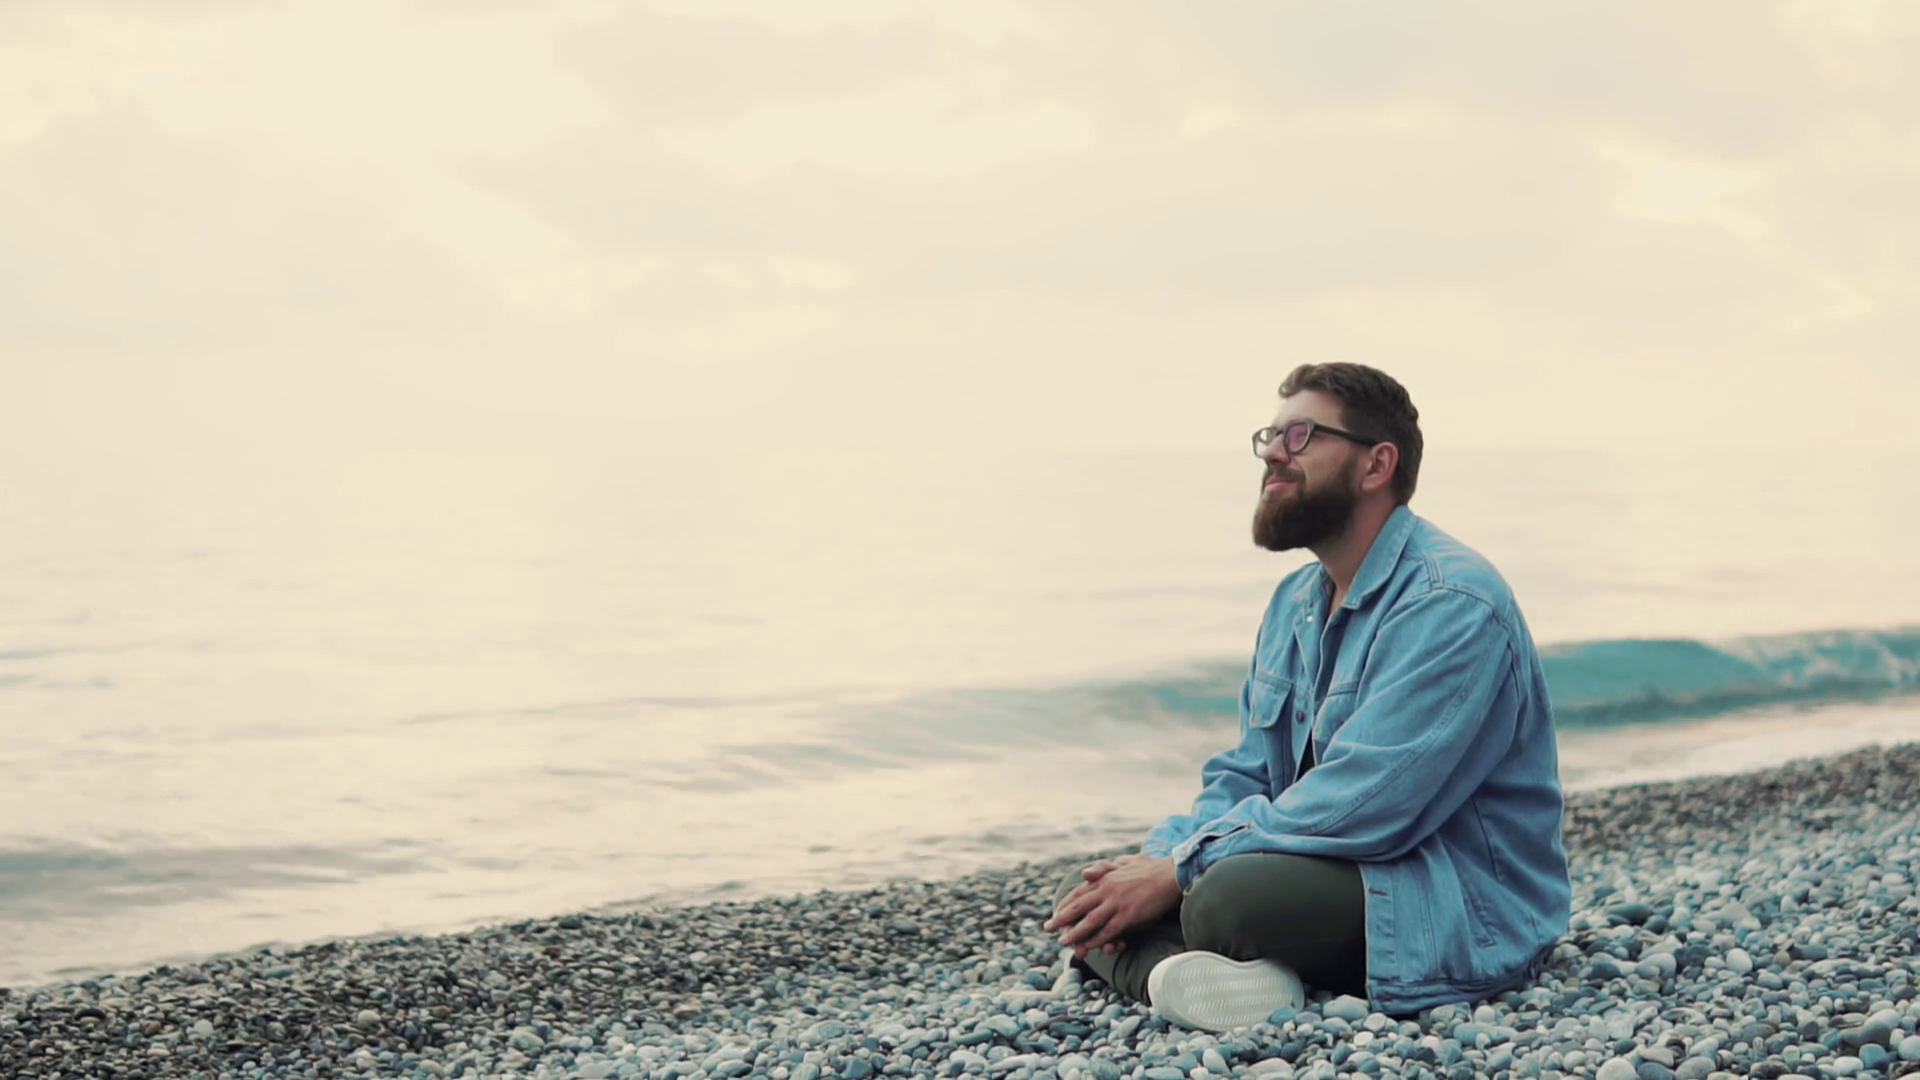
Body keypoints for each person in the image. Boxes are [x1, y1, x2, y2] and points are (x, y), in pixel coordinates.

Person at [1043, 362, 1571, 1030]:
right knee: (1085, 891)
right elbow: (1246, 774)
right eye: (1270, 436)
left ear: (1377, 464)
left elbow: (1371, 801)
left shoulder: (1452, 600)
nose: (1272, 453)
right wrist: (1158, 858)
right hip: (1321, 865)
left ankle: (1174, 965)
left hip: (1449, 900)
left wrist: (1179, 872)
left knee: (1223, 901)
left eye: (1300, 436)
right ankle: (1189, 980)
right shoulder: (1293, 601)